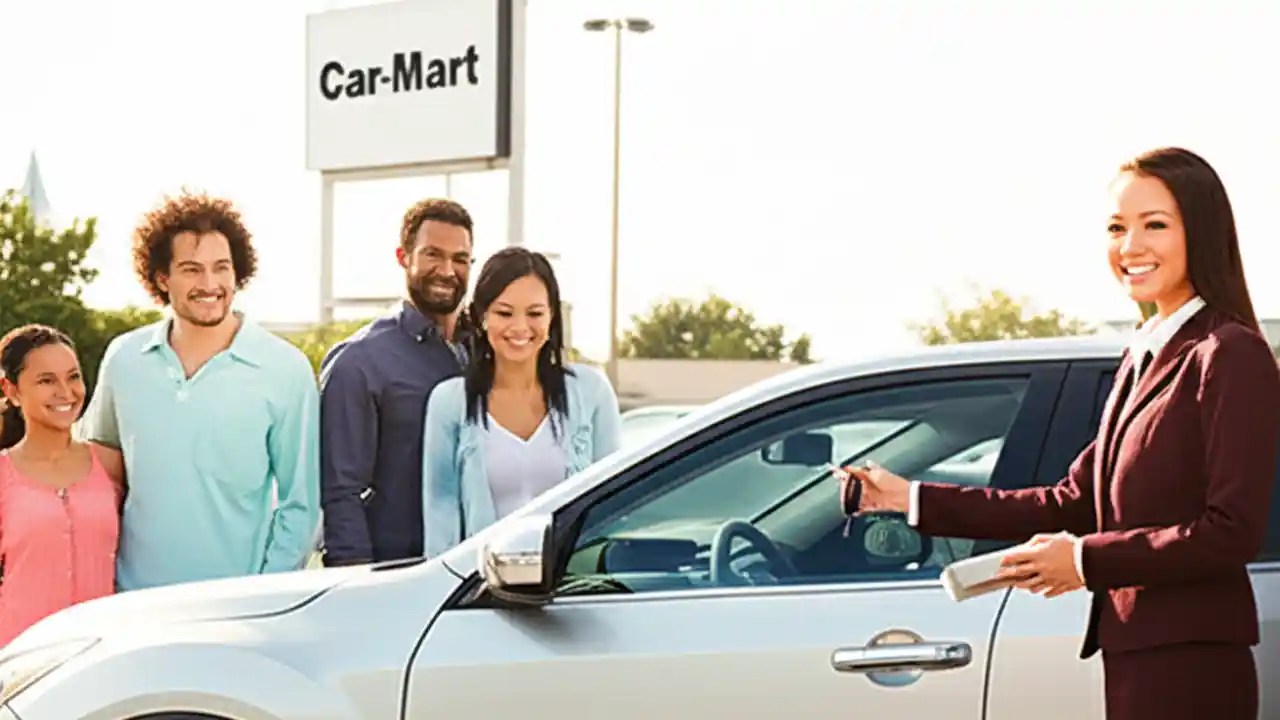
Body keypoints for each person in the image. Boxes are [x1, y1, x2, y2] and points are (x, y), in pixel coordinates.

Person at [848, 147, 1280, 720]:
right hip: (1137, 655)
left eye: (1155, 225)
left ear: (1201, 231)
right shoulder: (1143, 357)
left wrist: (1082, 562)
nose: (1131, 247)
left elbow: (1230, 532)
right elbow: (1070, 499)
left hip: (1192, 664)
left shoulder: (1228, 353)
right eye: (1117, 228)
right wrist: (910, 498)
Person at [79, 192, 319, 591]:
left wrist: (261, 595)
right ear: (161, 278)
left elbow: (301, 504)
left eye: (221, 268)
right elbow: (102, 474)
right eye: (191, 269)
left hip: (233, 608)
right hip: (131, 601)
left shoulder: (285, 370)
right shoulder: (124, 359)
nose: (210, 284)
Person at [422, 247, 622, 557]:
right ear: (481, 316)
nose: (520, 327)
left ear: (552, 316)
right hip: (479, 594)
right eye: (504, 313)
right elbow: (440, 519)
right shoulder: (449, 402)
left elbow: (613, 507)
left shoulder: (591, 391)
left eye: (534, 313)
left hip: (574, 590)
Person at [319, 198, 474, 565]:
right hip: (402, 578)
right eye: (433, 255)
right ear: (403, 256)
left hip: (486, 575)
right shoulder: (359, 362)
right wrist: (355, 589)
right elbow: (340, 494)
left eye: (461, 259)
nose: (447, 270)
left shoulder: (489, 352)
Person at [1, 325, 124, 646]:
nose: (66, 392)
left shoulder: (110, 464)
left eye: (73, 377)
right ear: (11, 390)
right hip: (18, 654)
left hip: (99, 650)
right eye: (46, 380)